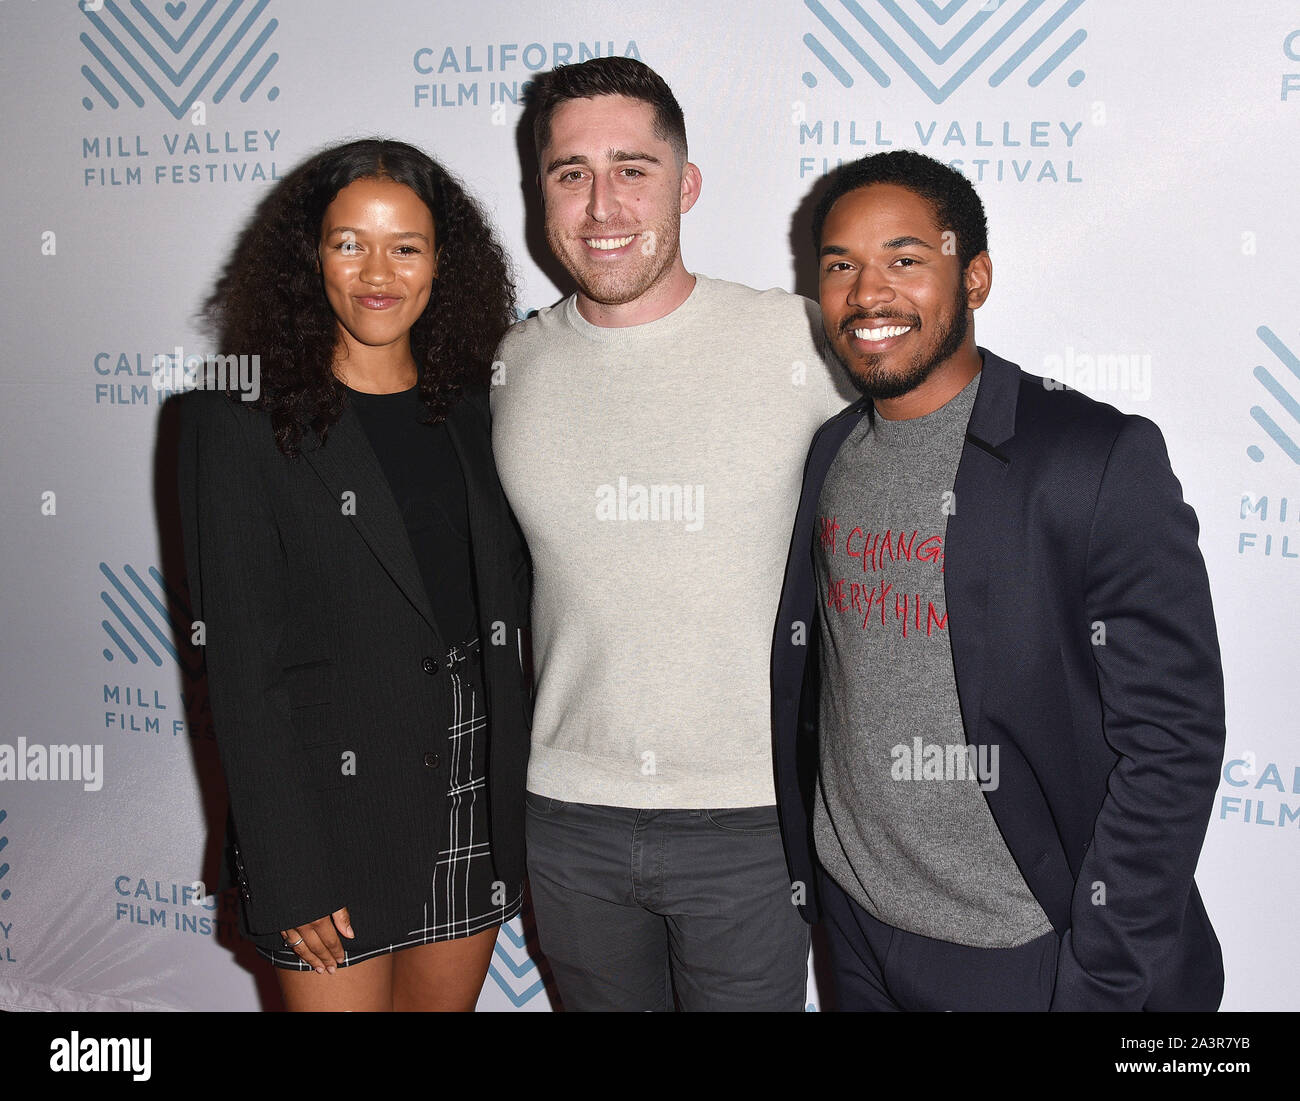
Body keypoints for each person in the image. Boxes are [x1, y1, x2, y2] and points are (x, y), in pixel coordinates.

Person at [771, 149, 1226, 1011]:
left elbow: (1172, 743)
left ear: (973, 276)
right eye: (841, 267)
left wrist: (1099, 973)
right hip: (857, 922)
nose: (869, 295)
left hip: (1024, 948)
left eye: (906, 260)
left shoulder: (1093, 459)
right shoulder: (832, 451)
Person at [490, 57, 852, 1011]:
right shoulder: (511, 364)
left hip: (751, 814)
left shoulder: (803, 342)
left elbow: (957, 432)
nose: (603, 204)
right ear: (542, 193)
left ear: (685, 184)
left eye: (632, 168)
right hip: (564, 813)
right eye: (572, 173)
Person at [177, 139, 532, 1012]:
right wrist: (287, 869)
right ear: (312, 255)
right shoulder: (237, 424)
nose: (380, 272)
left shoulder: (484, 408)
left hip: (472, 785)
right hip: (325, 813)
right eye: (350, 243)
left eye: (406, 246)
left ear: (441, 262)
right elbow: (243, 674)